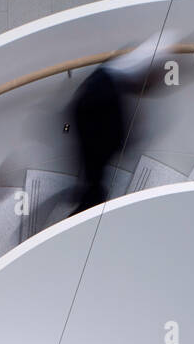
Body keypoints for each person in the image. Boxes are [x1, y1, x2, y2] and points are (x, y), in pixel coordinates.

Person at [68, 30, 178, 214]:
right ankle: (86, 206)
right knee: (94, 183)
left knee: (93, 178)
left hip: (93, 114)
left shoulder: (126, 67)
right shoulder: (107, 91)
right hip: (91, 115)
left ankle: (86, 198)